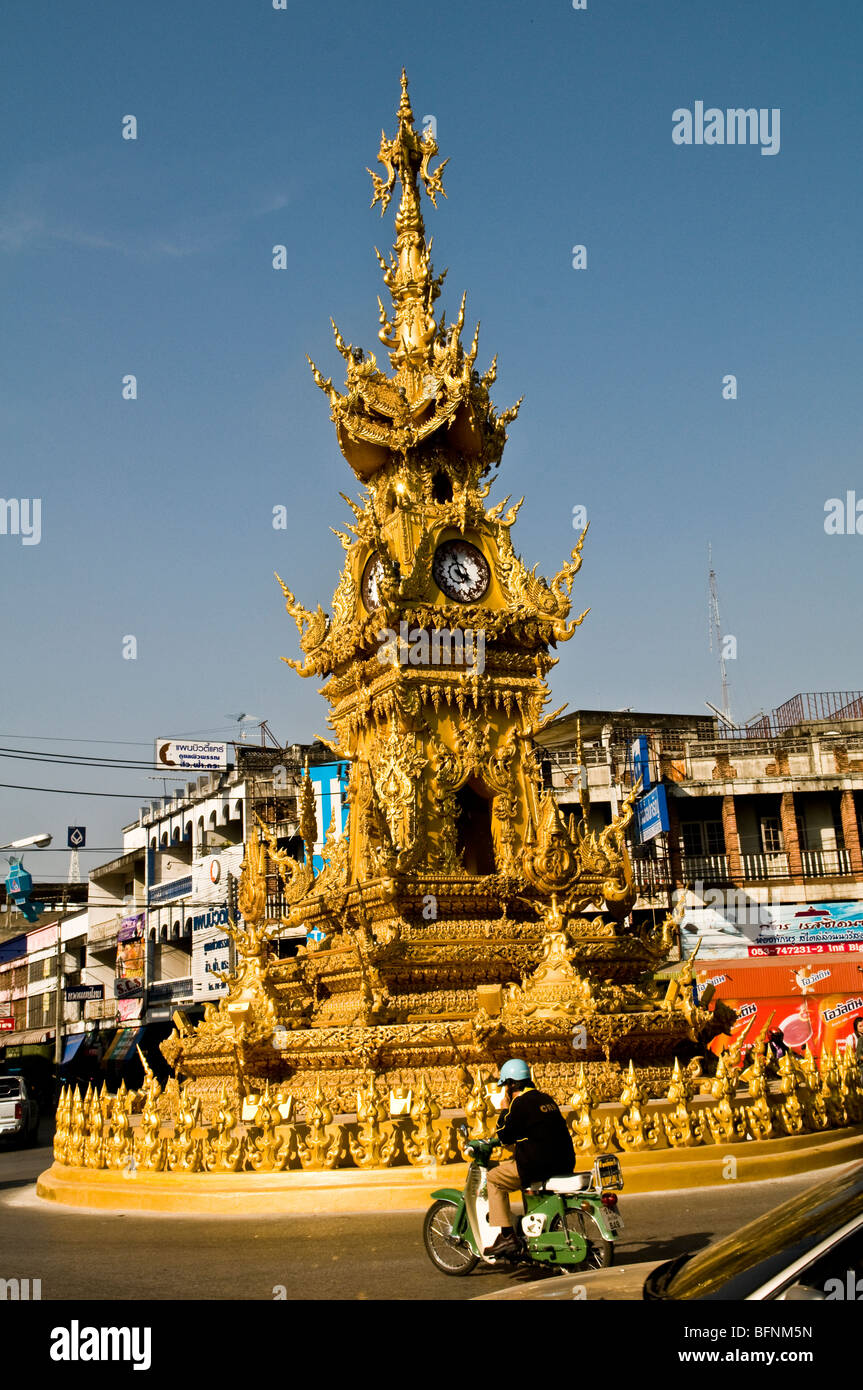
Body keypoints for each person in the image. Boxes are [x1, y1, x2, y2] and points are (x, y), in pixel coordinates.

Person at [478, 1058, 575, 1257]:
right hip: (564, 1162)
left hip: (537, 1165)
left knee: (495, 1179)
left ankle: (506, 1236)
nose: (505, 1089)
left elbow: (504, 1135)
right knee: (515, 1166)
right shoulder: (546, 1099)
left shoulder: (520, 1104)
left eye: (505, 1085)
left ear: (512, 1084)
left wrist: (504, 1109)